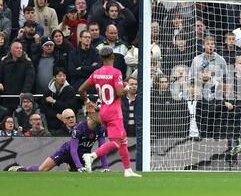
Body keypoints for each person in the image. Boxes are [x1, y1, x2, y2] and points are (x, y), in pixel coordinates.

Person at [79, 46, 141, 177]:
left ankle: (127, 170)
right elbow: (119, 92)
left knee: (123, 139)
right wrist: (127, 86)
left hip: (103, 111)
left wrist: (87, 102)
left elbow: (80, 89)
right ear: (113, 57)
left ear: (101, 58)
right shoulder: (116, 72)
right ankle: (92, 156)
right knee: (116, 142)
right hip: (114, 112)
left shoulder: (96, 73)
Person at [8, 107, 110, 172]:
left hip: (82, 155)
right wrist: (79, 166)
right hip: (66, 152)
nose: (102, 116)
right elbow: (73, 150)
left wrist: (105, 167)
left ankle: (71, 167)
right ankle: (20, 169)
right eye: (68, 118)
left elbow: (102, 149)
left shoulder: (101, 128)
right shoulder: (79, 128)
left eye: (72, 117)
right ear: (91, 116)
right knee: (42, 170)